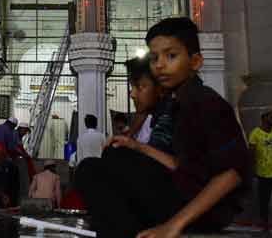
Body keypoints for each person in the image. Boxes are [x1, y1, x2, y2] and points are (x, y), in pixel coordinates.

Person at [77, 17, 250, 238]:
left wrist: (174, 225)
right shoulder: (177, 105)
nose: (159, 65)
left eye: (171, 56)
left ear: (195, 61)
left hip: (203, 208)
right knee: (106, 160)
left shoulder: (207, 103)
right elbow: (182, 165)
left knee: (94, 169)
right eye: (154, 57)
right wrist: (136, 146)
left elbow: (232, 173)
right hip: (182, 192)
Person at [125, 57, 174, 153]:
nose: (132, 94)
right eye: (132, 87)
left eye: (139, 87)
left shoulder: (168, 121)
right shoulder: (151, 117)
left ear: (161, 87)